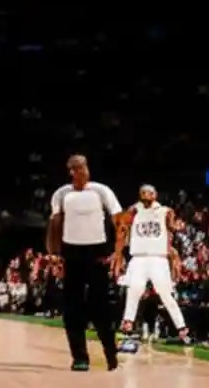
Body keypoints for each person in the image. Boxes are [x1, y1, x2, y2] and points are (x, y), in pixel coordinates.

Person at [47, 155, 122, 372]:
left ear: (86, 169)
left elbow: (120, 222)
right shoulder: (61, 194)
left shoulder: (101, 191)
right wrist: (53, 254)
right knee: (72, 308)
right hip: (71, 254)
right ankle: (79, 357)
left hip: (97, 253)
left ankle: (110, 352)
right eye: (70, 169)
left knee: (101, 308)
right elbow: (54, 225)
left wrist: (118, 252)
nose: (73, 173)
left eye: (77, 168)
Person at [113, 185, 191, 343]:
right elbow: (121, 226)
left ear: (155, 195)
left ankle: (182, 329)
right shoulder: (134, 210)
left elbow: (172, 228)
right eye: (142, 192)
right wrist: (118, 253)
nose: (145, 194)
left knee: (165, 294)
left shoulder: (165, 211)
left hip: (158, 257)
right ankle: (127, 325)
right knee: (133, 291)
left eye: (148, 192)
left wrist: (175, 228)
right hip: (139, 257)